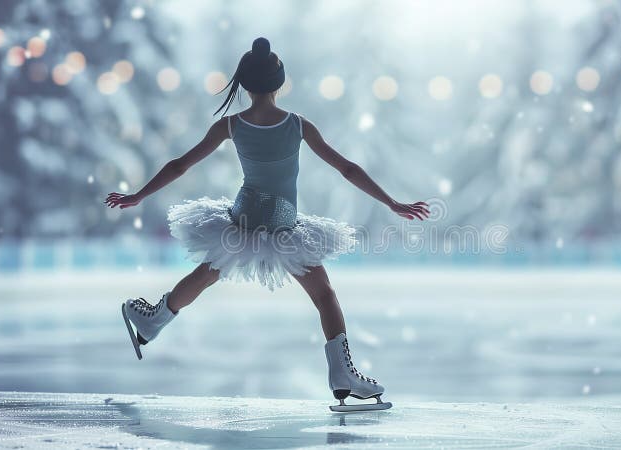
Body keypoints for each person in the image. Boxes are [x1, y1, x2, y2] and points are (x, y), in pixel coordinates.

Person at [105, 37, 429, 411]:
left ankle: (152, 322)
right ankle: (342, 374)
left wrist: (139, 195)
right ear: (279, 83)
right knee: (324, 296)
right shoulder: (297, 125)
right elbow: (347, 169)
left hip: (244, 215)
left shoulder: (231, 126)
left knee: (211, 269)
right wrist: (392, 202)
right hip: (280, 221)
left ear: (244, 85)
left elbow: (180, 164)